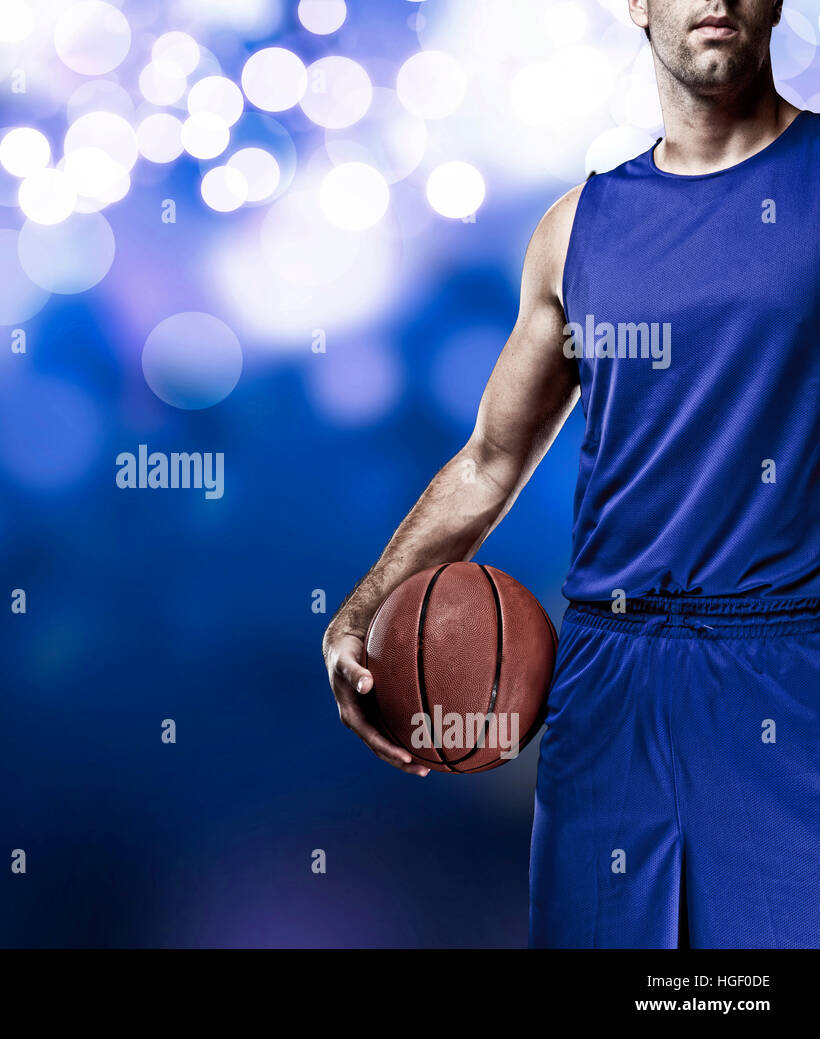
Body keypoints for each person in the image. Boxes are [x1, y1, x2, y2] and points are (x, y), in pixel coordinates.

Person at [323, 0, 820, 947]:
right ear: (636, 3)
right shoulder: (576, 228)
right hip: (608, 685)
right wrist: (361, 609)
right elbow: (490, 460)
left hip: (788, 672)